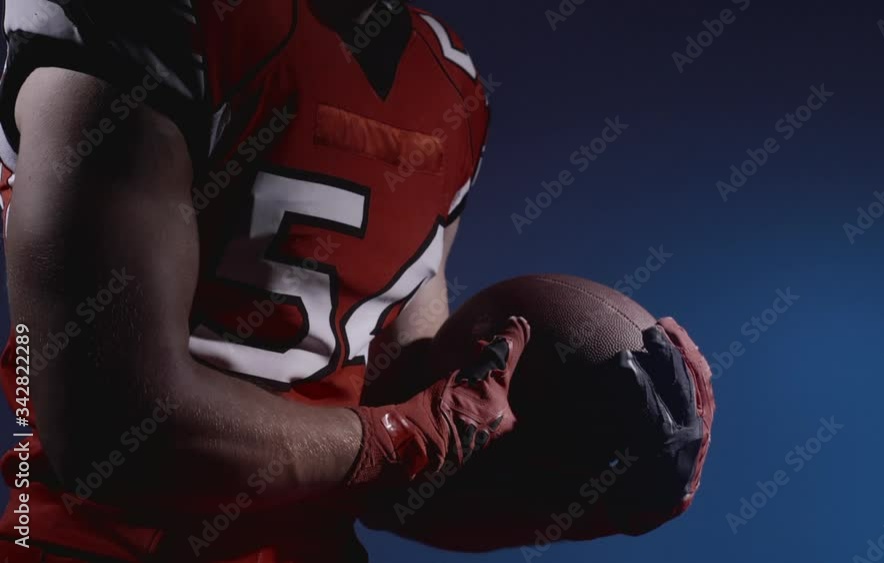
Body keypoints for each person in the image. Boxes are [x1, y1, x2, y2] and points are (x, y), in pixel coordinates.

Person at [0, 1, 713, 561]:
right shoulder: (157, 14)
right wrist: (403, 434)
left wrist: (598, 501)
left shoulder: (448, 79)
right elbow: (105, 427)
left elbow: (393, 479)